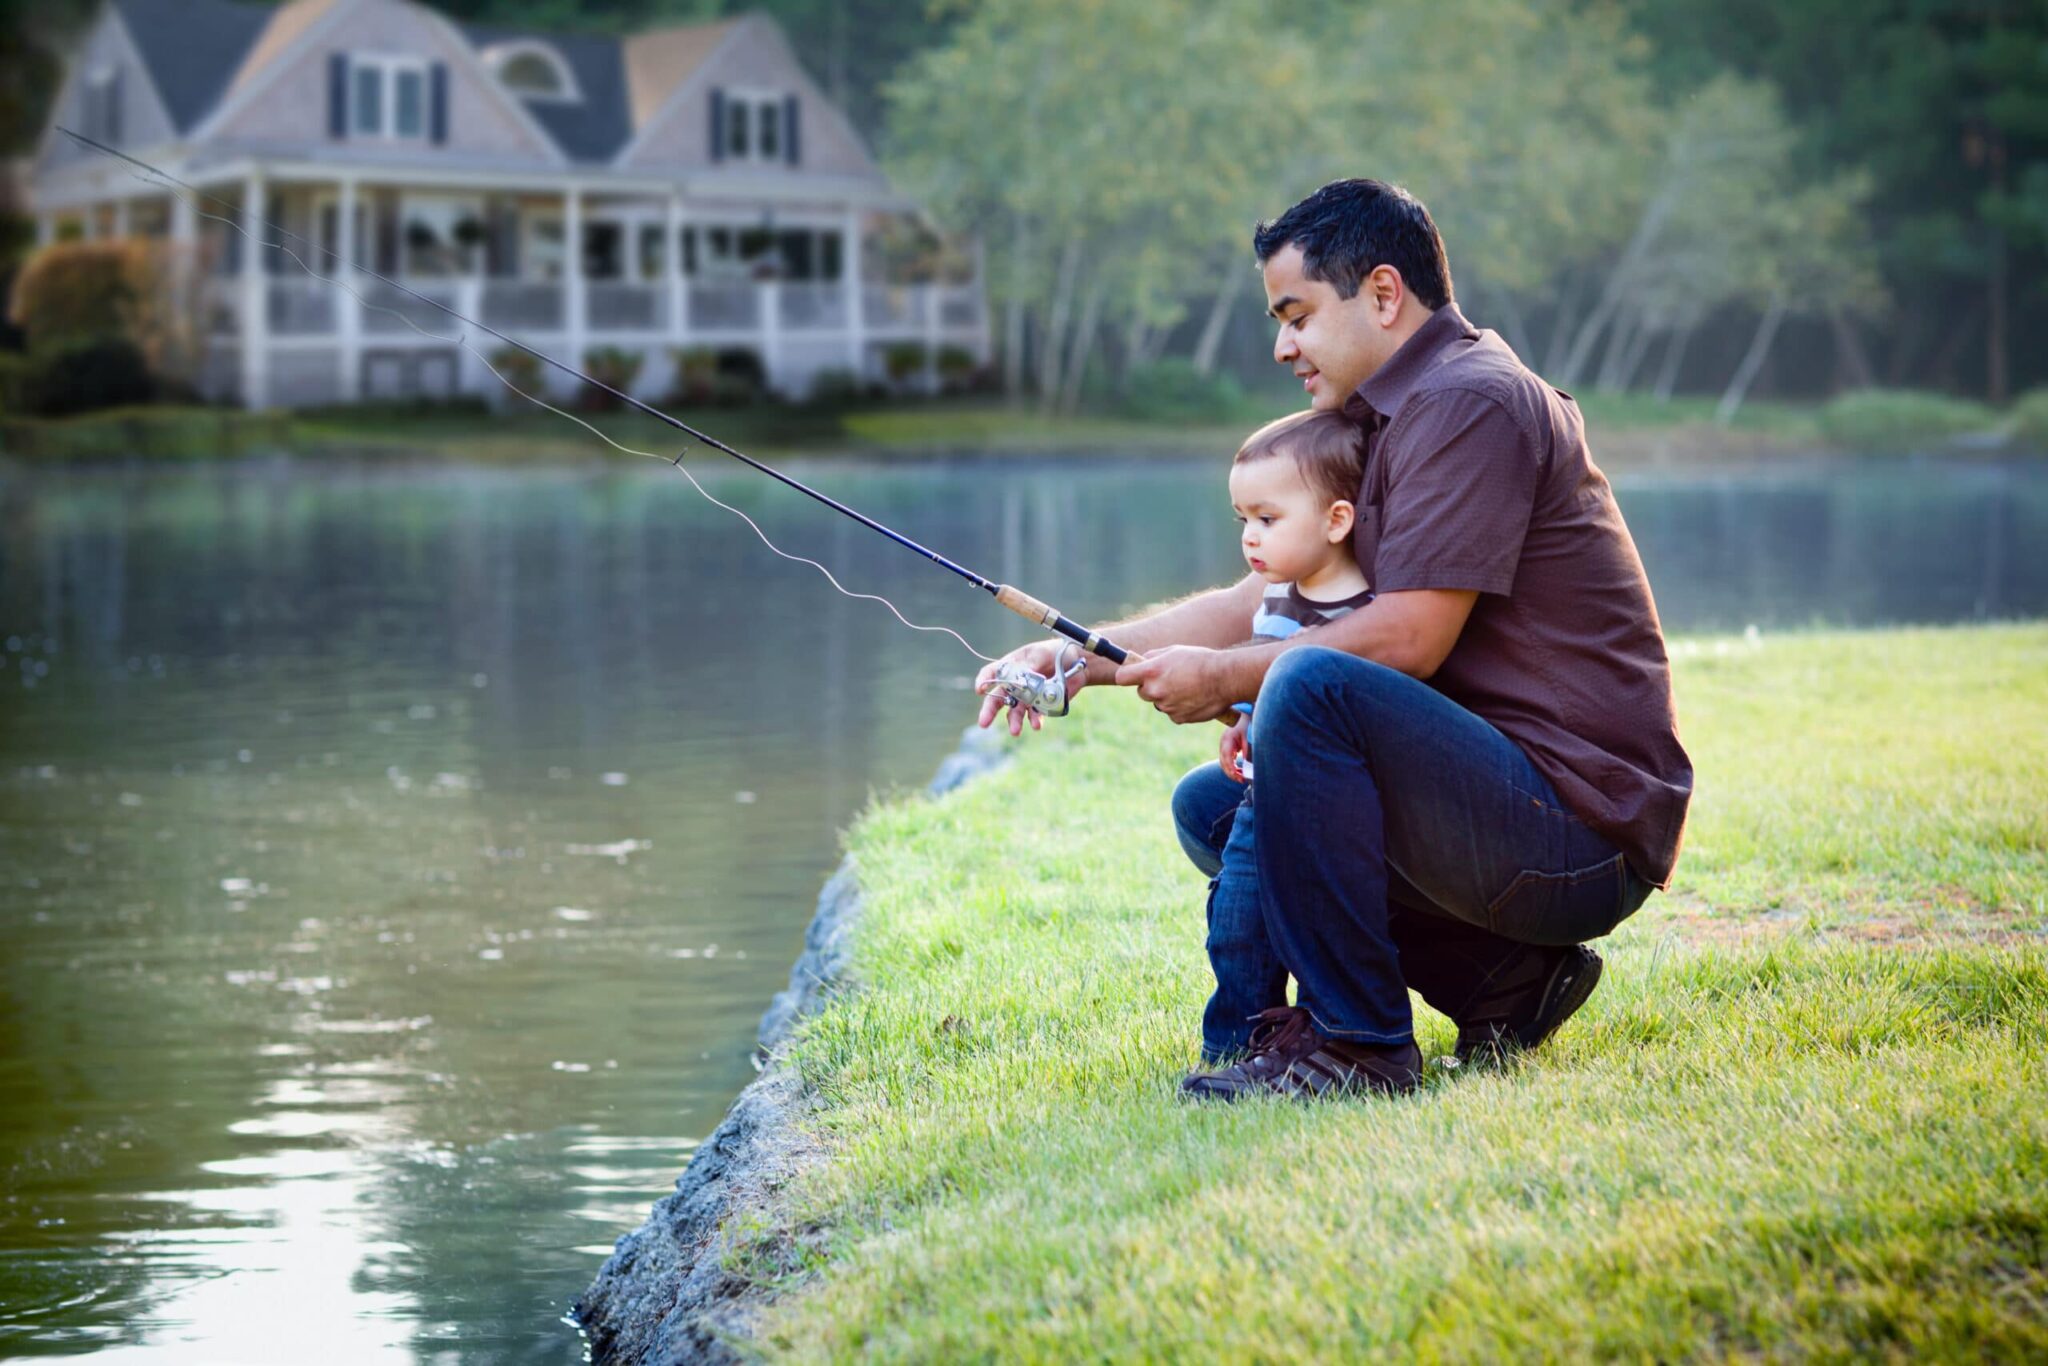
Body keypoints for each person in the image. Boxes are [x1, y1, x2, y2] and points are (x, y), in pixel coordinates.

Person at [977, 177, 1691, 1102]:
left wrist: (1232, 680)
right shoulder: (1381, 414)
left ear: (1384, 295)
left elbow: (1410, 638)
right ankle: (1508, 984)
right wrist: (1081, 661)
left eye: (1297, 315)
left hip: (1578, 831)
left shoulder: (1470, 402)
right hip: (1504, 809)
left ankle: (1359, 1046)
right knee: (1219, 810)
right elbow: (1258, 594)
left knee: (1309, 689)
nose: (1282, 345)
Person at [1194, 408, 1375, 1062]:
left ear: (1336, 520)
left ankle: (1257, 1045)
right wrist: (1243, 715)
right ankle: (1236, 1048)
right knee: (1236, 924)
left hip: (1323, 808)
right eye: (1242, 521)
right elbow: (1265, 671)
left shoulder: (1363, 612)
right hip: (1262, 797)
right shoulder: (1280, 594)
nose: (1250, 538)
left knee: (1257, 919)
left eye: (1267, 520)